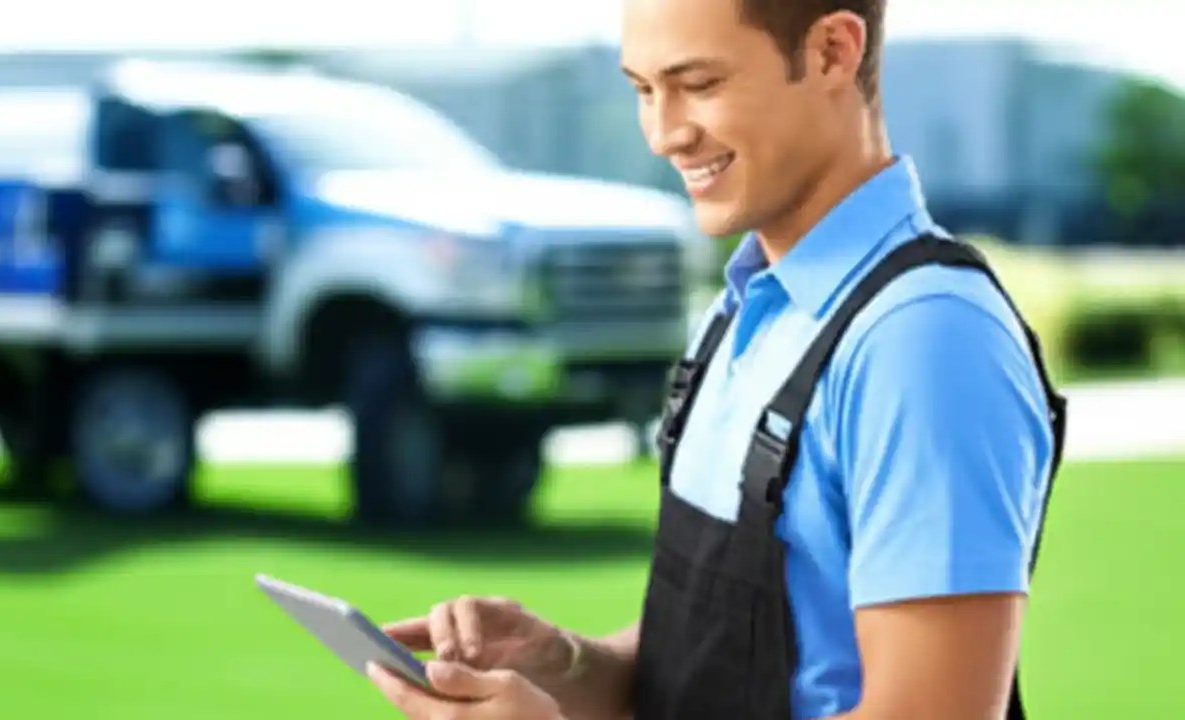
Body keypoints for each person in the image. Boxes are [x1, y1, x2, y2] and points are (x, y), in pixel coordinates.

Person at [366, 0, 1067, 718]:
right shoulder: (744, 309)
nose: (663, 133)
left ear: (832, 51)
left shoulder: (923, 339)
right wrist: (569, 665)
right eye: (644, 89)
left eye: (698, 84)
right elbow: (721, 658)